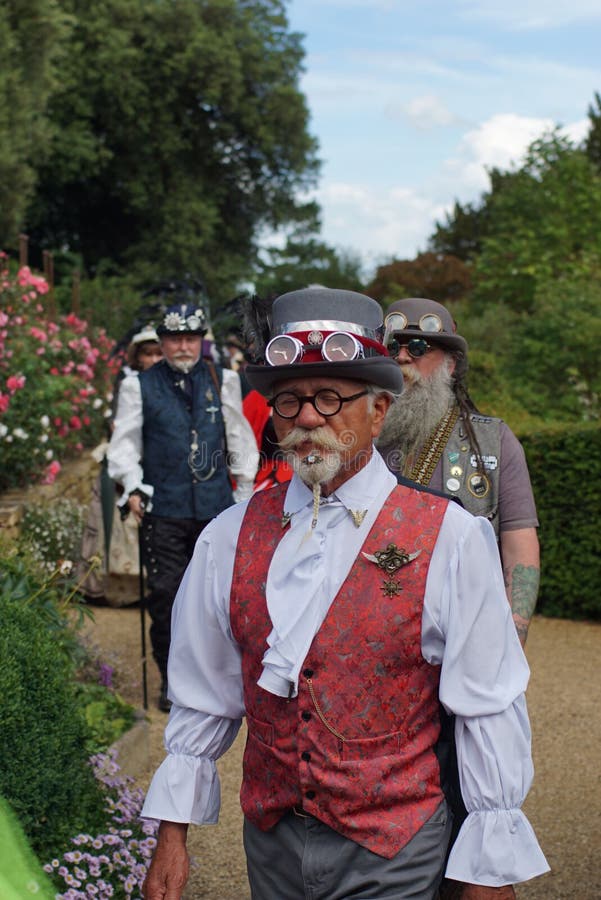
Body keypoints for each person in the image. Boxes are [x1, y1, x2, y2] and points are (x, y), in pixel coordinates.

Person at [140, 287, 548, 899]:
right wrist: (170, 836)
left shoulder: (453, 537)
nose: (308, 418)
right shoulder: (228, 536)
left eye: (331, 397)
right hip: (272, 846)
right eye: (289, 400)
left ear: (379, 410)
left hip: (397, 846)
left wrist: (491, 867)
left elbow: (487, 704)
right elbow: (202, 695)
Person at [107, 301, 259, 710]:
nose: (183, 347)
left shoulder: (223, 379)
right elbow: (123, 446)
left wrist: (243, 492)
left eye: (190, 338)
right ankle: (173, 682)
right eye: (174, 339)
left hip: (215, 507)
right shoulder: (137, 385)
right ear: (162, 341)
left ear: (201, 341)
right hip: (165, 507)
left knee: (218, 599)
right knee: (166, 596)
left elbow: (240, 440)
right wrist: (133, 486)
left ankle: (217, 680)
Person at [377, 297, 540, 647]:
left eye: (419, 347)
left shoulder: (493, 440)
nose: (403, 357)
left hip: (464, 635)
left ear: (450, 365)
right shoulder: (359, 437)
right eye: (392, 347)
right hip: (371, 635)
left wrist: (513, 635)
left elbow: (519, 544)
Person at [77, 326, 163, 605]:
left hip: (155, 460)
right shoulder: (128, 381)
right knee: (106, 520)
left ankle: (145, 589)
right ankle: (99, 586)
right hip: (124, 457)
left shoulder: (168, 384)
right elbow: (118, 423)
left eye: (158, 353)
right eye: (147, 354)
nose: (152, 359)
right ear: (138, 357)